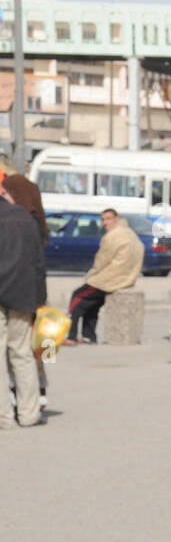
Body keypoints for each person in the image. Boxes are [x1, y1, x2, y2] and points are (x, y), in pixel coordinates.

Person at [0, 159, 50, 409]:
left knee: (19, 353)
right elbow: (39, 265)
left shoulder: (17, 218)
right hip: (28, 295)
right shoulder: (33, 218)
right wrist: (40, 299)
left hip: (13, 294)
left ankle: (13, 408)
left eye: (7, 192)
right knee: (27, 352)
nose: (4, 195)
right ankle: (33, 404)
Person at [66, 209, 143, 345]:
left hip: (109, 279)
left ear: (117, 218)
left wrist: (90, 276)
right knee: (92, 304)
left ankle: (70, 336)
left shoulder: (112, 236)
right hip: (126, 279)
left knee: (77, 297)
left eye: (109, 219)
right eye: (103, 219)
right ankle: (89, 336)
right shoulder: (131, 234)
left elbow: (101, 261)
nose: (105, 223)